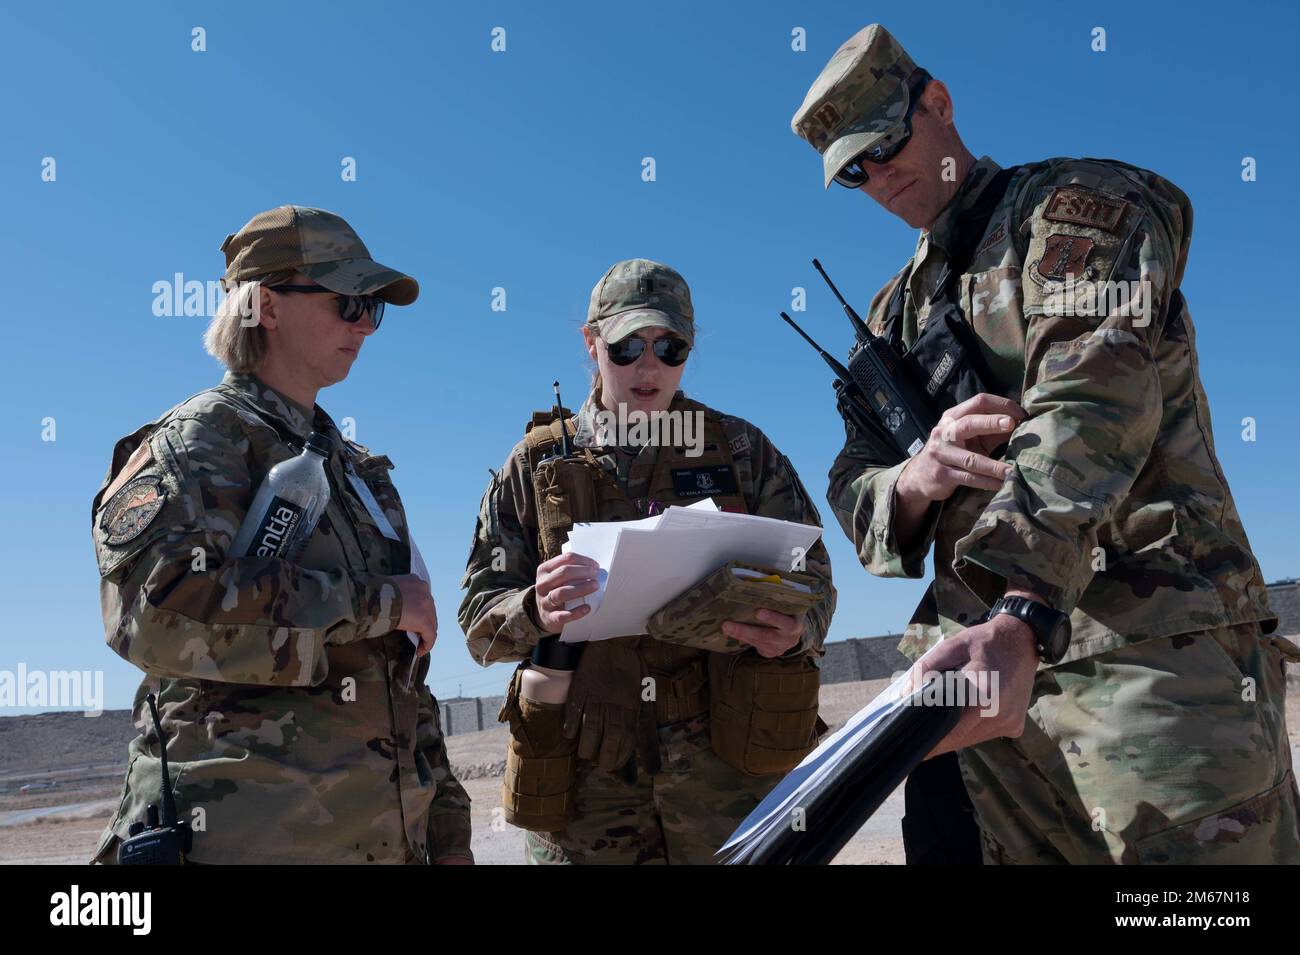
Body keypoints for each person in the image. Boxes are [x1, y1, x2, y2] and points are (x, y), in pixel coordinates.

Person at [790, 24, 1299, 864]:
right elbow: (855, 478)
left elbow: (1091, 396)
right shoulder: (892, 314)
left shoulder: (1071, 208)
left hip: (1143, 664)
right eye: (854, 169)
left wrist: (1023, 606)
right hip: (982, 699)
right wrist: (912, 480)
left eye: (884, 144)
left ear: (937, 103)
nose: (878, 177)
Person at [91, 205, 472, 864]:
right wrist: (378, 602)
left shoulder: (358, 473)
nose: (364, 325)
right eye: (348, 302)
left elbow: (404, 674)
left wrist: (448, 835)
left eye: (372, 309)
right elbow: (154, 617)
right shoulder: (198, 445)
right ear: (266, 306)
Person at [459, 258, 837, 864]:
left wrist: (796, 630)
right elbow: (479, 617)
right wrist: (535, 608)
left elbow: (813, 577)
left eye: (670, 347)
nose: (649, 366)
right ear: (591, 344)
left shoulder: (741, 450)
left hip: (728, 763)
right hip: (589, 774)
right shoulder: (534, 465)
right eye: (627, 346)